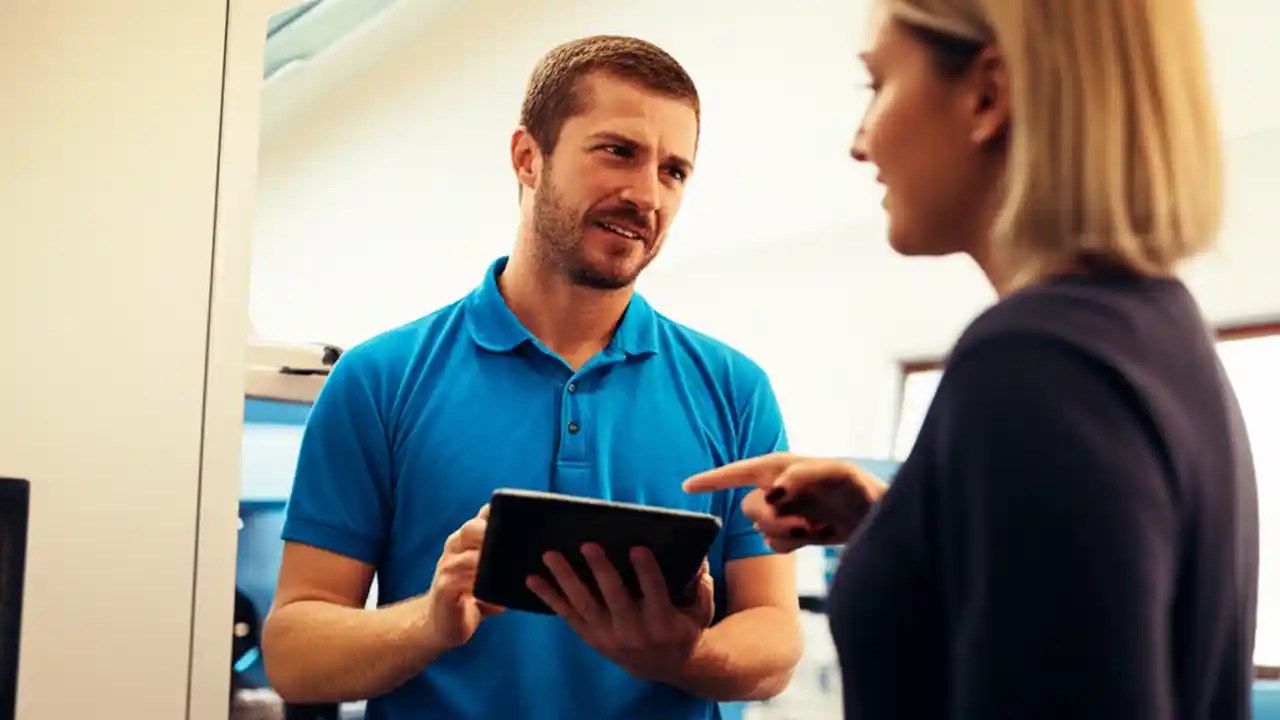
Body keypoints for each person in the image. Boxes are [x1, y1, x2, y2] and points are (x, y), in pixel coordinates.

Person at [684, 2, 1260, 718]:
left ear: (988, 94)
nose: (860, 143)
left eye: (878, 85)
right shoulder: (1156, 332)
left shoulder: (1033, 363)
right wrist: (902, 528)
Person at [260, 35, 802, 719]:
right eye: (618, 151)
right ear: (528, 157)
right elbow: (293, 652)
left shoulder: (734, 391)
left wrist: (675, 656)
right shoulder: (379, 380)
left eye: (674, 171)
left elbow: (775, 635)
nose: (646, 194)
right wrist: (429, 622)